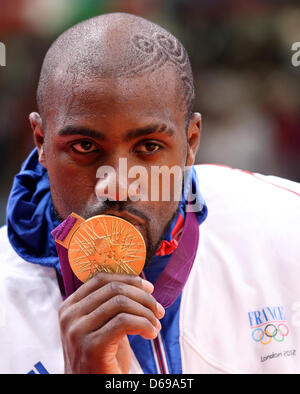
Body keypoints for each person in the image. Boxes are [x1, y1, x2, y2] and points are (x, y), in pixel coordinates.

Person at [1, 12, 300, 375]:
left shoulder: (288, 229)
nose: (117, 185)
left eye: (148, 147)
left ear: (191, 142)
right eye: (84, 146)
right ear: (41, 142)